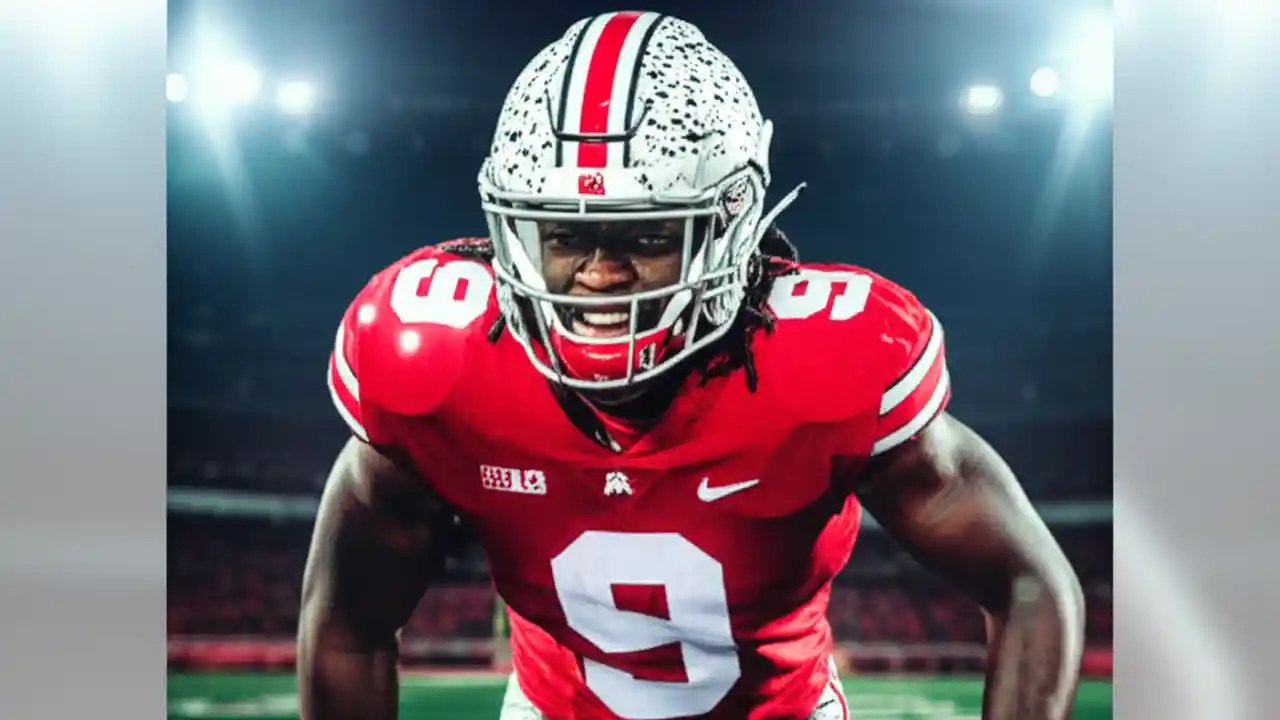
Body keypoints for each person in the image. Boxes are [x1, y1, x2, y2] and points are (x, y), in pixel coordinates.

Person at [297, 11, 1084, 720]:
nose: (600, 276)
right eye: (565, 237)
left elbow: (1030, 587)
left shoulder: (822, 365)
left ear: (732, 225)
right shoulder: (434, 361)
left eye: (645, 236)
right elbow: (350, 630)